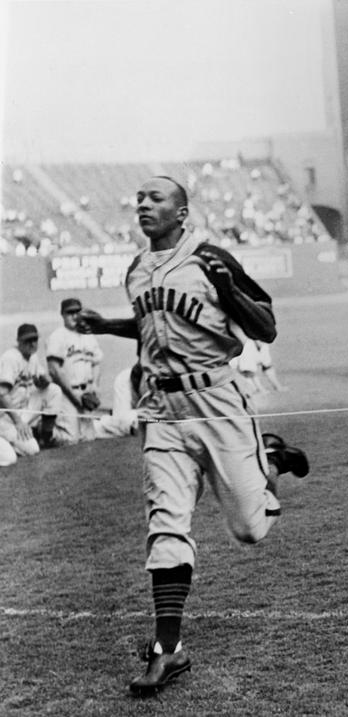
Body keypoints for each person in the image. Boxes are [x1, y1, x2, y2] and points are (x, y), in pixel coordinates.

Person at [77, 176, 310, 697]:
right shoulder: (137, 270)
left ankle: (268, 458)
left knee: (250, 530)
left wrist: (227, 290)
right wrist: (106, 326)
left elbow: (266, 327)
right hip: (162, 408)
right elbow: (154, 323)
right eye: (138, 197)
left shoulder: (210, 258)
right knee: (165, 525)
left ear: (182, 213)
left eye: (155, 198)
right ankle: (168, 649)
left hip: (219, 404)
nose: (142, 204)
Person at [0, 323, 66, 460]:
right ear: (18, 341)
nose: (32, 344)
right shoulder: (10, 358)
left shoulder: (33, 357)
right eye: (27, 340)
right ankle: (8, 440)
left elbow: (44, 380)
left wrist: (45, 379)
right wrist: (18, 422)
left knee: (54, 390)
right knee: (32, 449)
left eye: (34, 340)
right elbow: (1, 394)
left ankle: (46, 436)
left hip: (22, 411)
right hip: (5, 416)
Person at [46, 297, 104, 443]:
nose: (74, 316)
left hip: (86, 392)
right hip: (67, 393)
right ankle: (45, 432)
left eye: (77, 312)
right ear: (62, 315)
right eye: (69, 312)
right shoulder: (58, 336)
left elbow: (96, 362)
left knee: (89, 438)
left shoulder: (88, 335)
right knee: (70, 439)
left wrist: (95, 385)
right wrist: (74, 397)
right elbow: (54, 370)